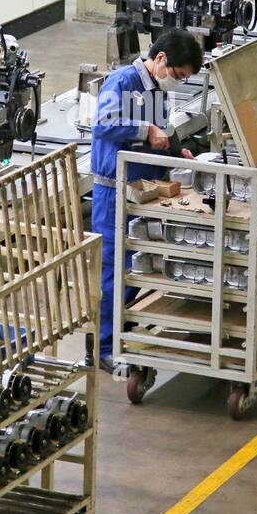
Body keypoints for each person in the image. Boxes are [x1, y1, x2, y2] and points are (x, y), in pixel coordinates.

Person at [89, 30, 205, 373]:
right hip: (114, 193)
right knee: (113, 269)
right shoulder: (122, 82)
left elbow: (161, 129)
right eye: (179, 75)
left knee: (136, 266)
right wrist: (144, 130)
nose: (177, 82)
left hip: (144, 191)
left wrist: (175, 149)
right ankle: (104, 348)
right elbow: (104, 123)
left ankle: (122, 331)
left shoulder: (156, 88)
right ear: (161, 60)